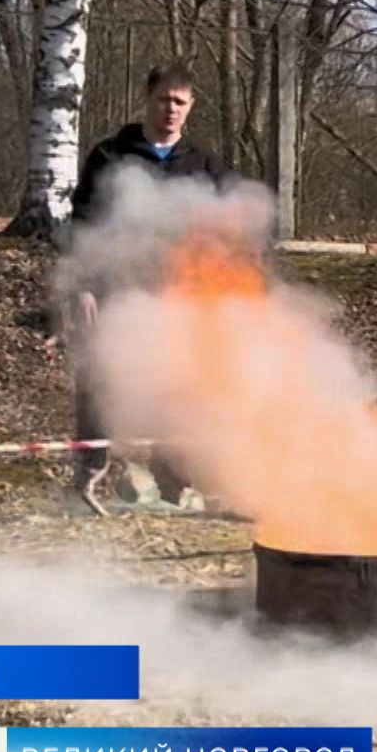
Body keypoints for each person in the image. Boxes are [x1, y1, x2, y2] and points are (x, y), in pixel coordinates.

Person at [67, 63, 231, 513]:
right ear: (147, 99)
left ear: (191, 106)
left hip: (181, 300)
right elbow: (82, 228)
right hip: (116, 293)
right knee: (99, 381)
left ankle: (174, 482)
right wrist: (83, 288)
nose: (170, 109)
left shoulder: (206, 166)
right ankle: (89, 477)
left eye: (180, 101)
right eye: (163, 99)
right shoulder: (109, 157)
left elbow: (226, 236)